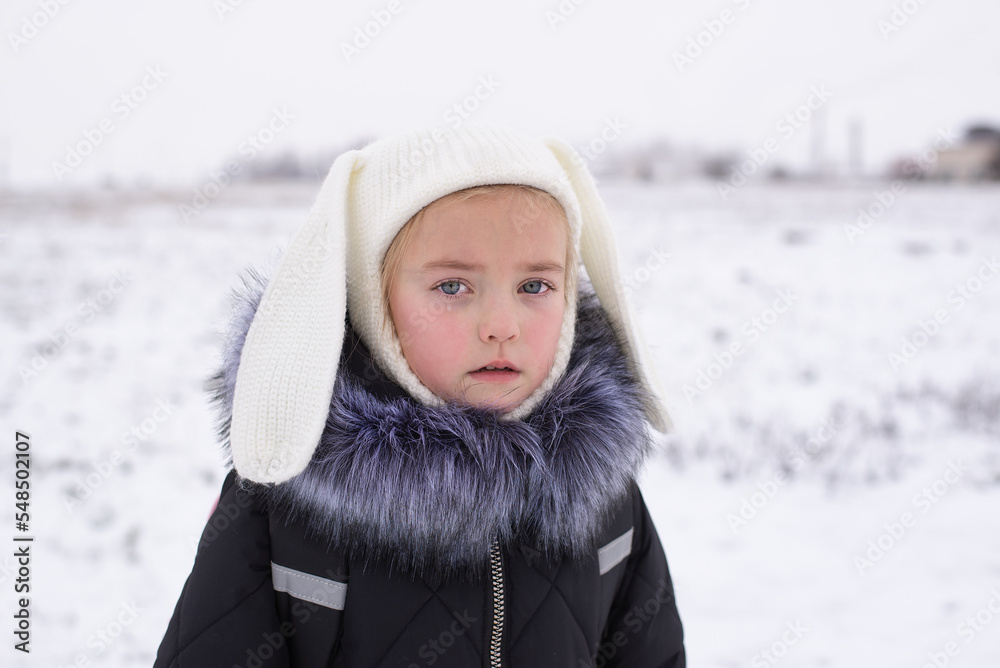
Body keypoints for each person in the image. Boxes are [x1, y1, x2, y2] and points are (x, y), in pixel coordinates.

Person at [153, 123, 685, 667]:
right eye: (452, 287)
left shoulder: (601, 499)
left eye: (535, 286)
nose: (502, 325)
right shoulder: (285, 513)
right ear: (371, 304)